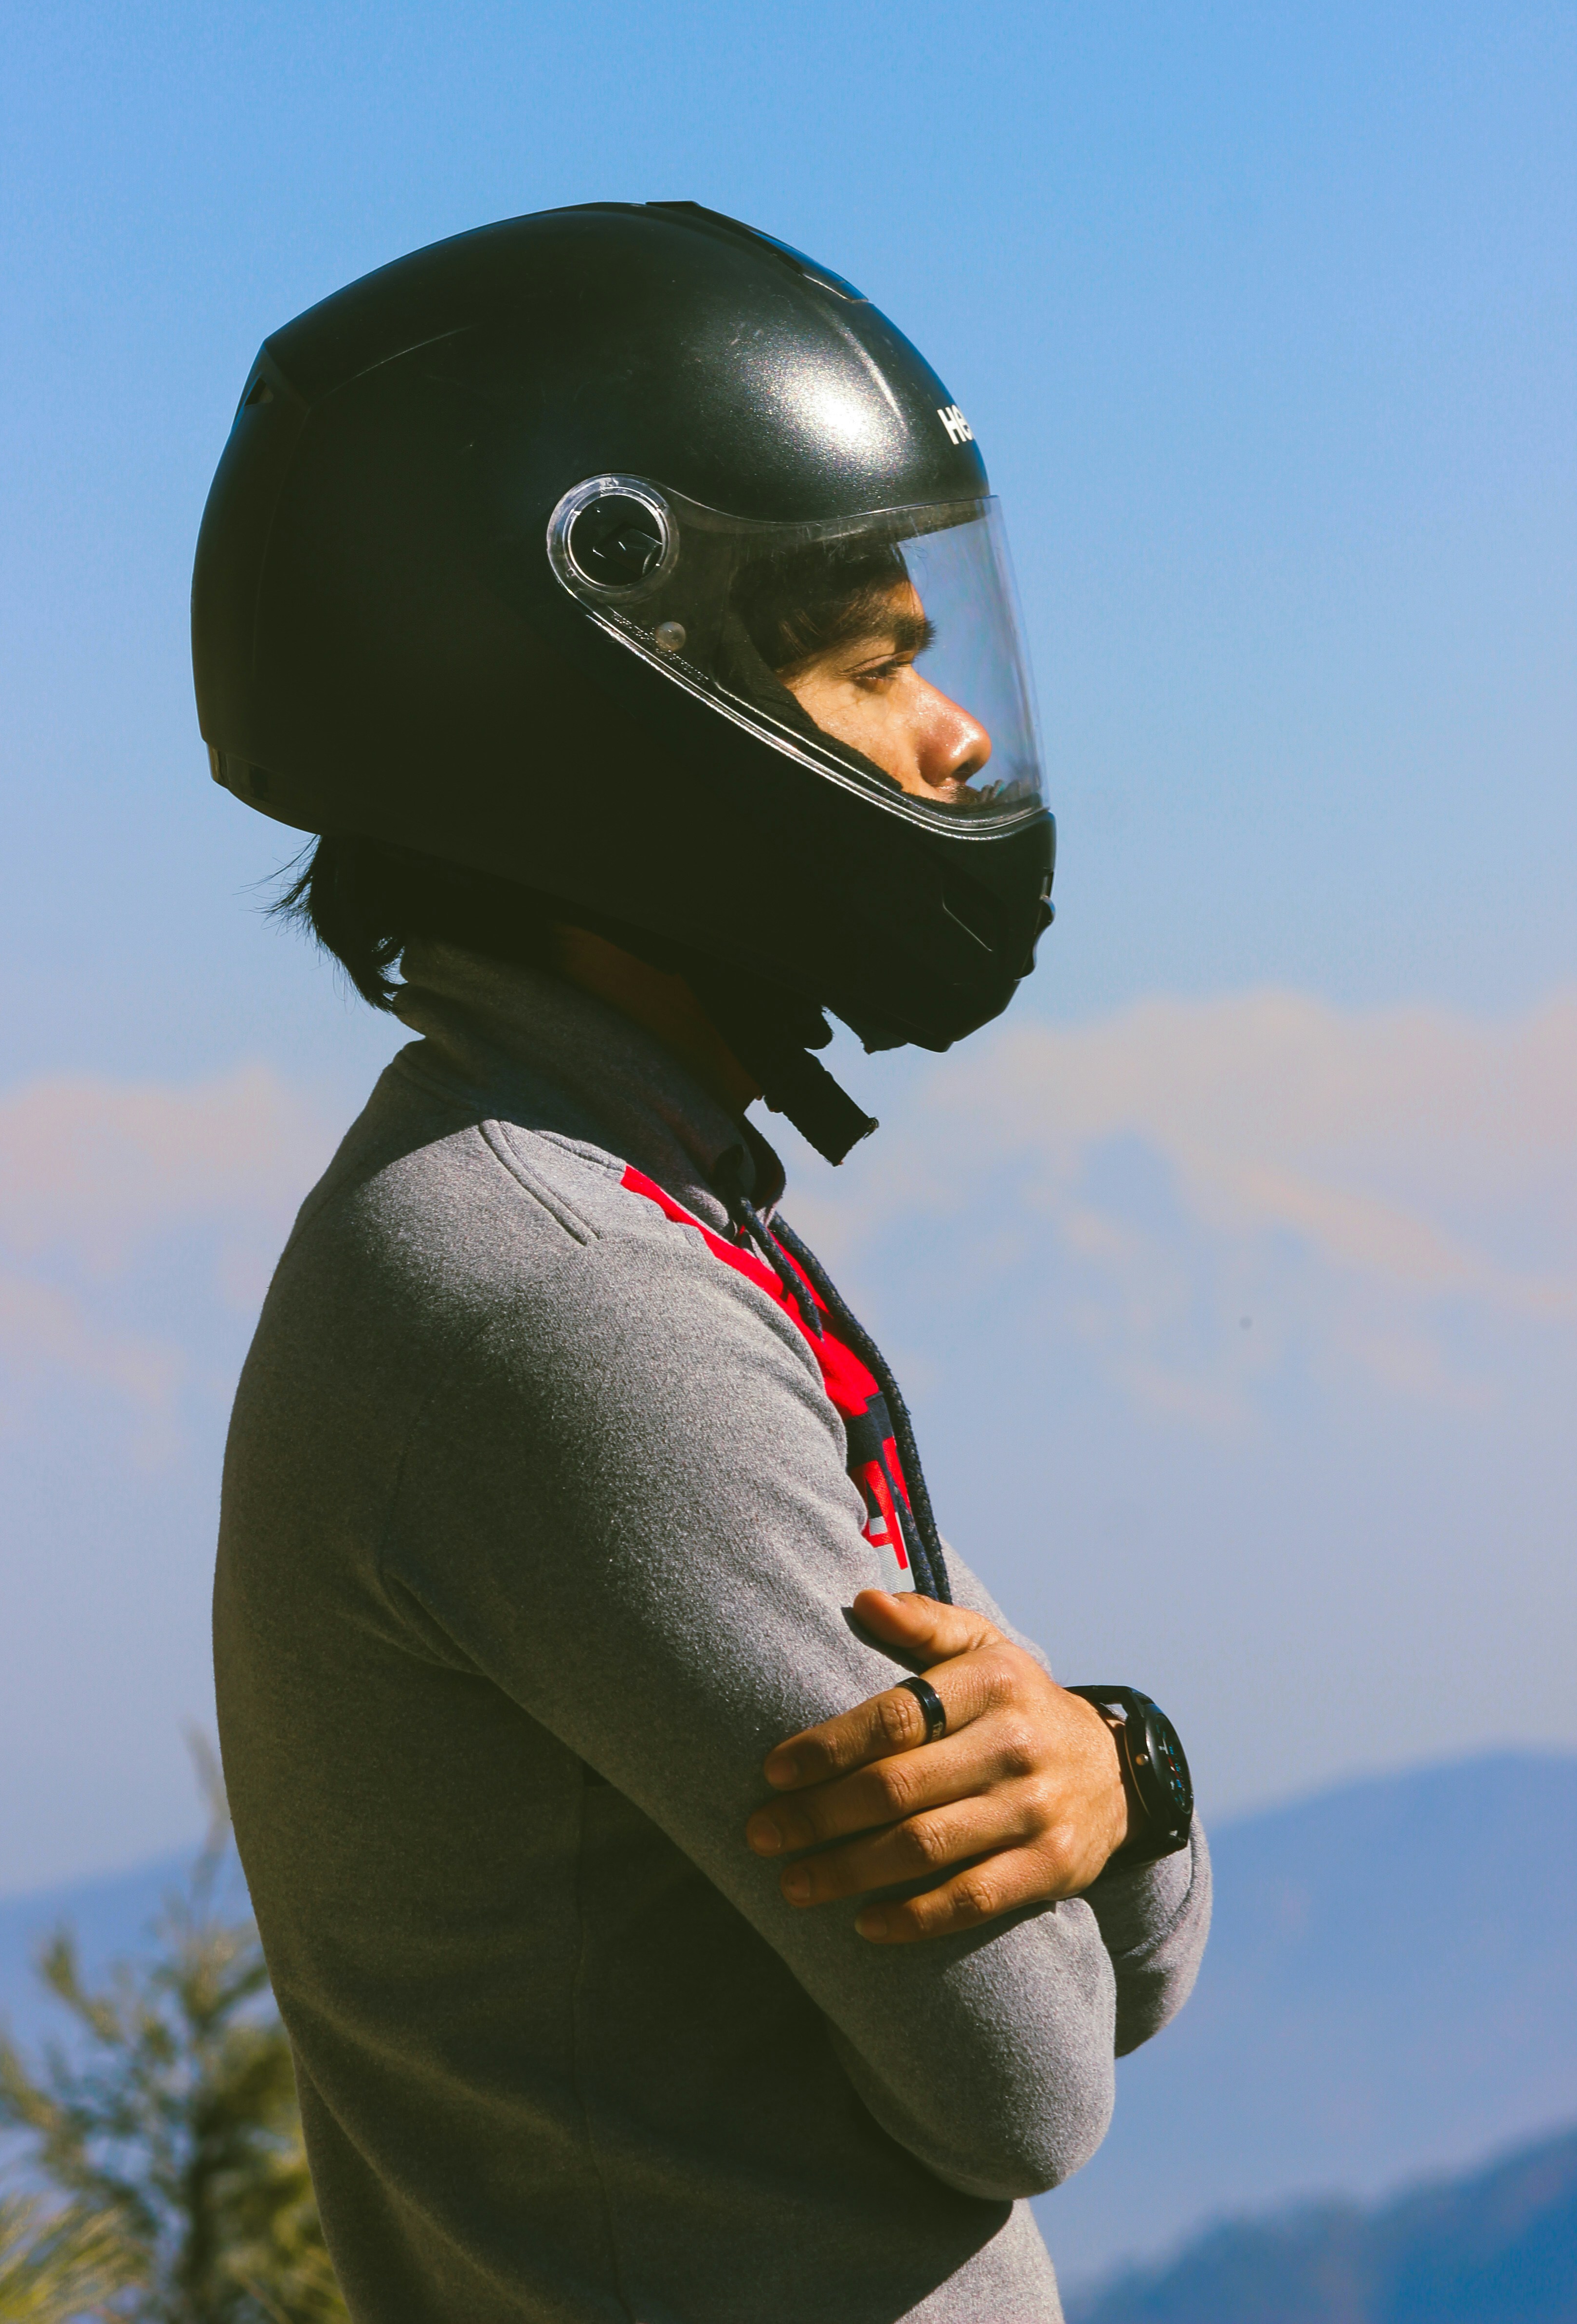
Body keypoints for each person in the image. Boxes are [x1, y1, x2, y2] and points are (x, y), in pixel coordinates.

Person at [195, 201, 1210, 2323]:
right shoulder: (578, 1300)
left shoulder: (610, 1212)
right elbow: (1030, 2073)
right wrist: (1114, 1793)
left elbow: (1094, 1897)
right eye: (876, 664)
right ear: (614, 706)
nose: (955, 737)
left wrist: (1113, 1766)